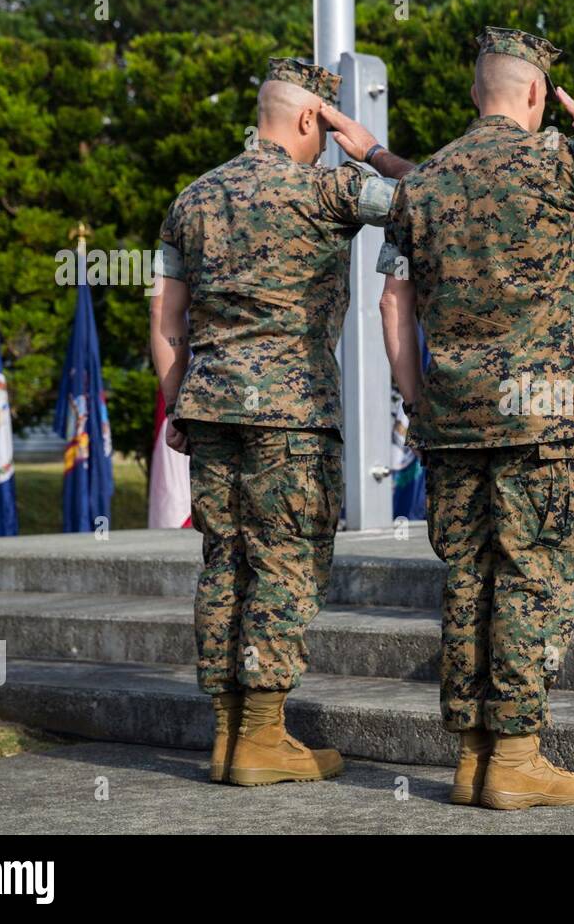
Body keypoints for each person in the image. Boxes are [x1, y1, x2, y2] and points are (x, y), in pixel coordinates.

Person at [377, 27, 574, 810]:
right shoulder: (565, 160)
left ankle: (472, 757)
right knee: (531, 577)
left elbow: (393, 300)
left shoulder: (427, 181)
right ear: (536, 94)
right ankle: (516, 758)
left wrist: (417, 397)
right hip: (539, 420)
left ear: (476, 91)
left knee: (468, 579)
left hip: (450, 417)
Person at [151, 57, 413, 786]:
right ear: (309, 119)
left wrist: (180, 405)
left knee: (225, 566)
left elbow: (165, 323)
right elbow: (441, 199)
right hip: (291, 417)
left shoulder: (193, 198)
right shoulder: (332, 187)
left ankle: (233, 736)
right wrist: (364, 146)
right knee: (283, 567)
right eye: (322, 129)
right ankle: (261, 738)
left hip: (210, 411)